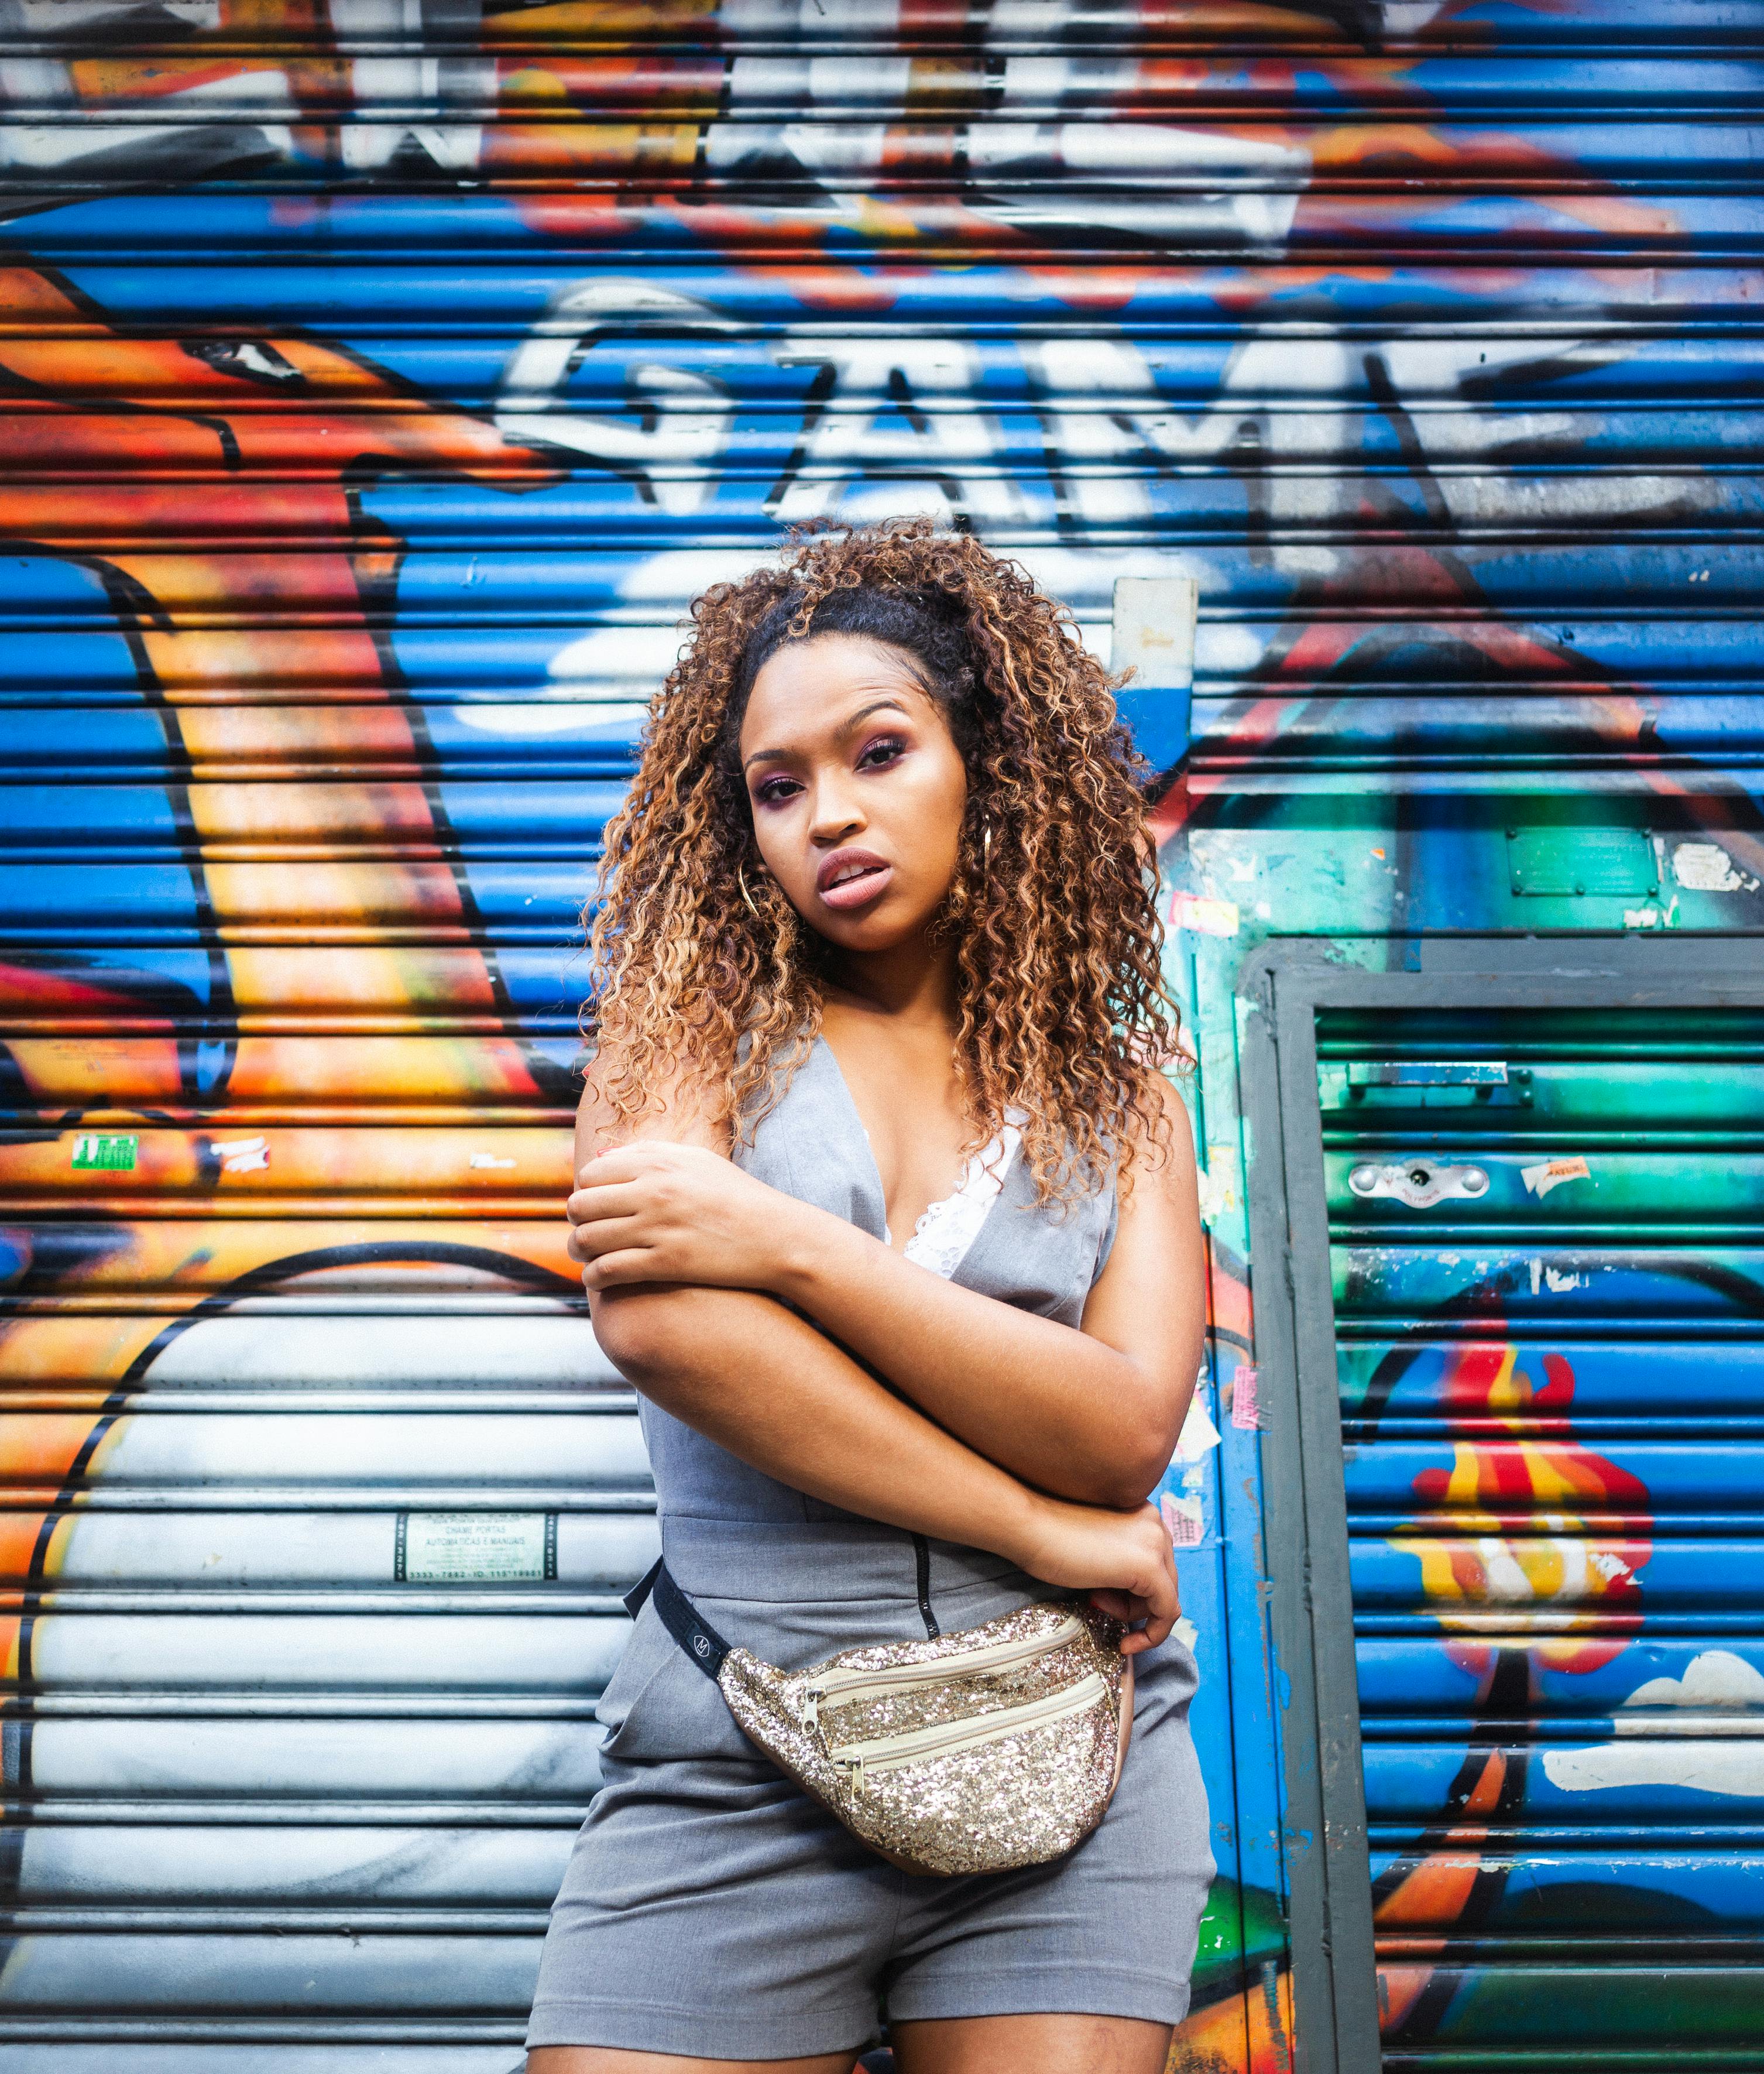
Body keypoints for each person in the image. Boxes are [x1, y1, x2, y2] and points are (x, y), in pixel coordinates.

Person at [526, 519, 1213, 2074]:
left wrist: (789, 1248)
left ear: (990, 765)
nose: (829, 813)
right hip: (734, 1753)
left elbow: (1120, 1431)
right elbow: (663, 1327)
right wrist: (1037, 1526)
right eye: (777, 787)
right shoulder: (682, 1034)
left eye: (880, 752)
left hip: (1069, 1759)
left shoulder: (1121, 1094)